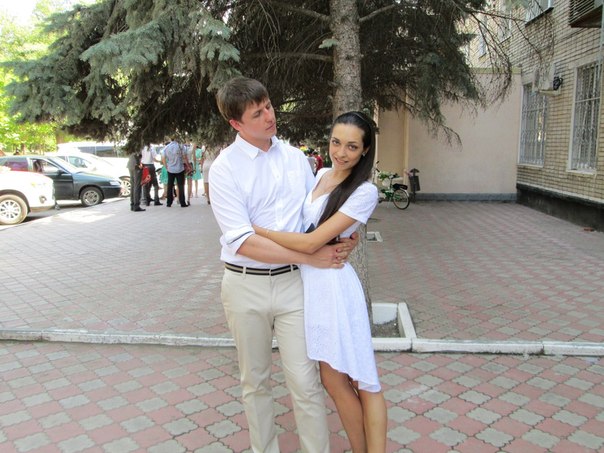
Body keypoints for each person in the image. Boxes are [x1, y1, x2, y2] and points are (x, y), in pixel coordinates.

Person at [210, 76, 358, 453]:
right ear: (236, 124)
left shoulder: (294, 158)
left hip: (294, 285)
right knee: (255, 382)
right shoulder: (224, 169)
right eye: (257, 114)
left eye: (269, 106)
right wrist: (309, 255)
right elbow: (244, 241)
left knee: (305, 382)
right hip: (245, 287)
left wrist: (344, 236)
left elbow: (315, 216)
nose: (269, 116)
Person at [253, 111, 387, 452]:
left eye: (352, 146)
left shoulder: (365, 191)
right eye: (336, 142)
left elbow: (312, 241)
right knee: (333, 379)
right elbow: (308, 229)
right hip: (313, 286)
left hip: (335, 287)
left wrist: (257, 231)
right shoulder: (322, 174)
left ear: (365, 150)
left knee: (363, 379)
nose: (341, 152)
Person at [161, 139, 189, 208]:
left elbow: (163, 158)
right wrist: (188, 165)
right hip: (180, 168)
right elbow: (185, 157)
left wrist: (166, 166)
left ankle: (169, 202)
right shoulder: (181, 146)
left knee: (170, 186)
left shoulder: (166, 147)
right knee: (181, 186)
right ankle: (182, 202)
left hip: (170, 169)